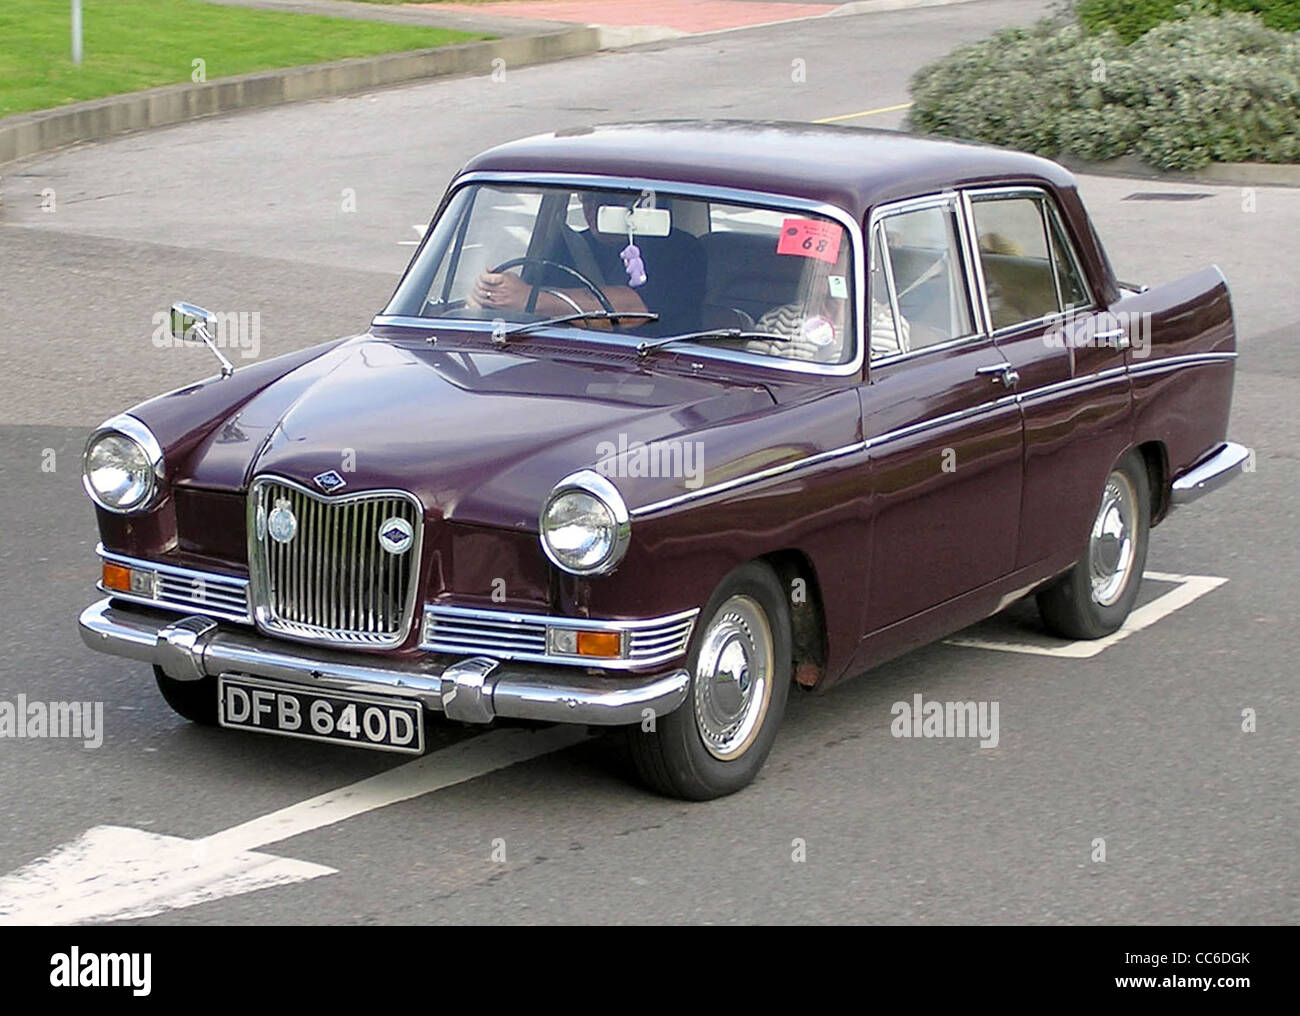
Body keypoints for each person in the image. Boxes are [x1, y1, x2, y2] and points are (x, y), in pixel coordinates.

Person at [466, 191, 706, 337]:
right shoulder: (566, 245)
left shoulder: (680, 249)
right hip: (564, 359)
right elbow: (526, 313)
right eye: (587, 198)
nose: (593, 206)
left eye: (607, 197)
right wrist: (489, 295)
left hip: (656, 367)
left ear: (636, 199)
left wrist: (530, 298)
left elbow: (635, 310)